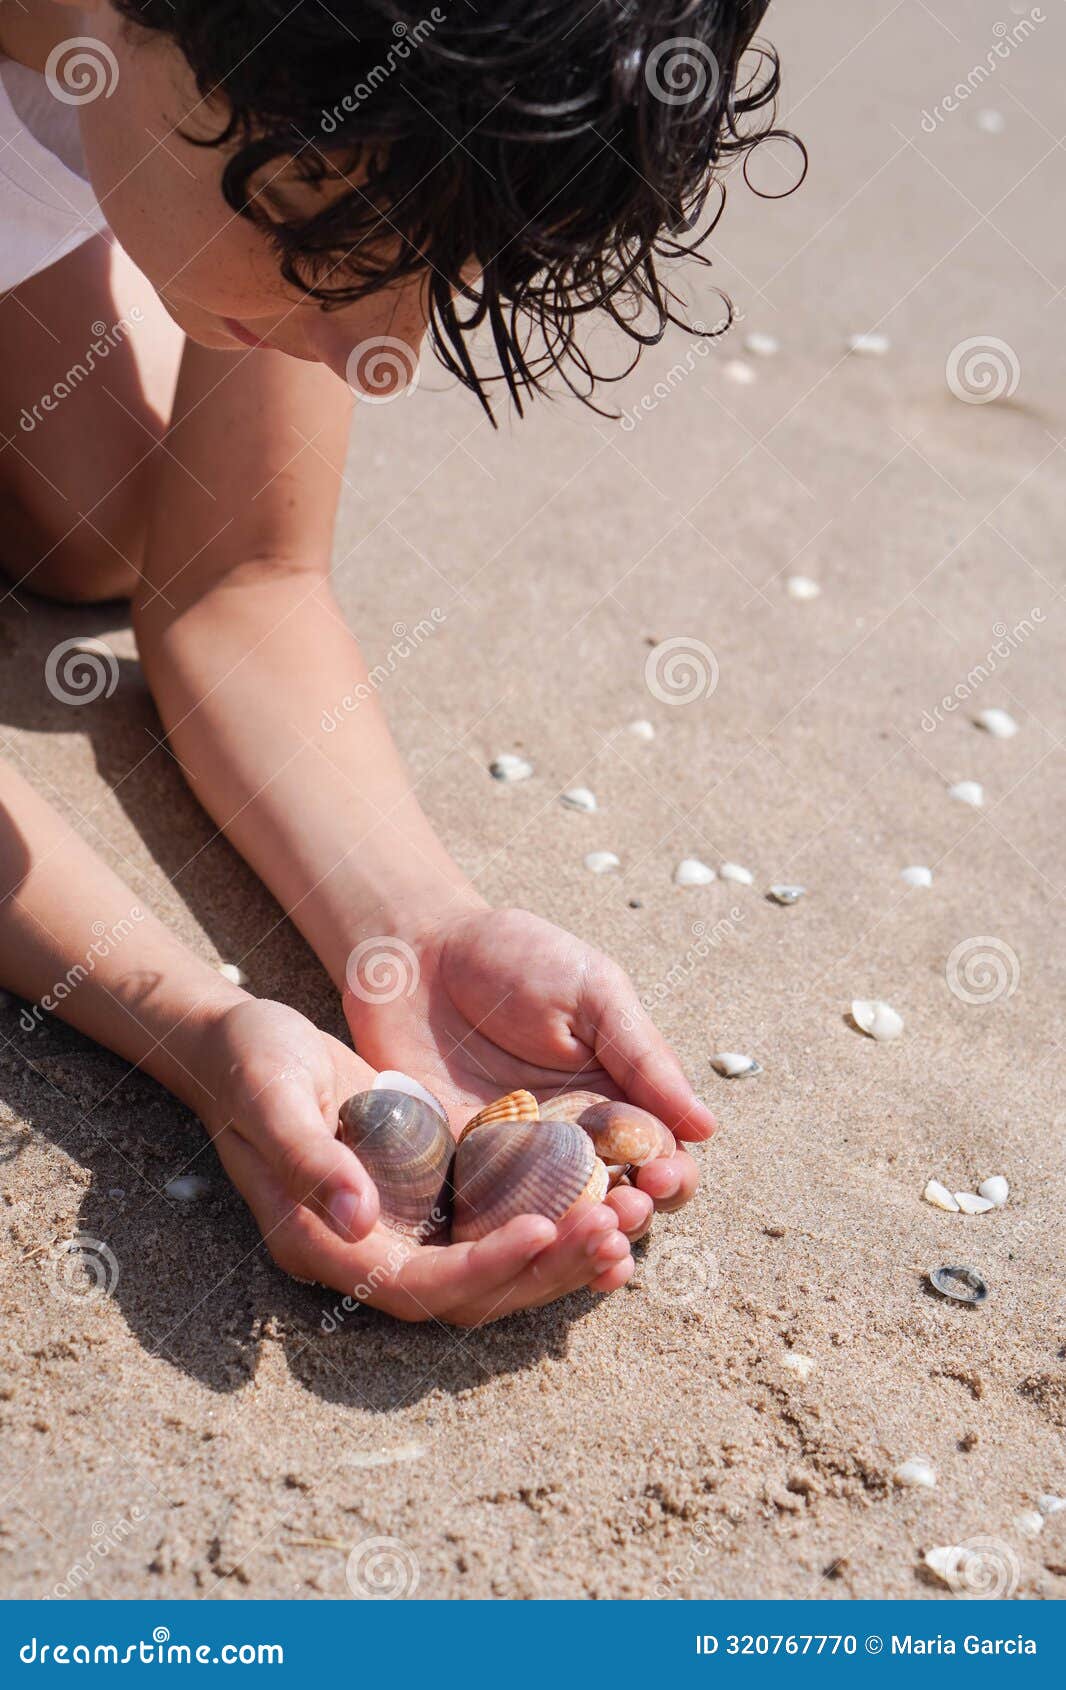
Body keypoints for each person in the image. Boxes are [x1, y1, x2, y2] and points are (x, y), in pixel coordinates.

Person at [0, 2, 784, 1322]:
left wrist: (409, 931)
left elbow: (239, 576)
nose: (384, 344)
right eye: (330, 224)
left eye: (441, 256)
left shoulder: (291, 66)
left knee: (98, 527)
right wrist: (199, 1031)